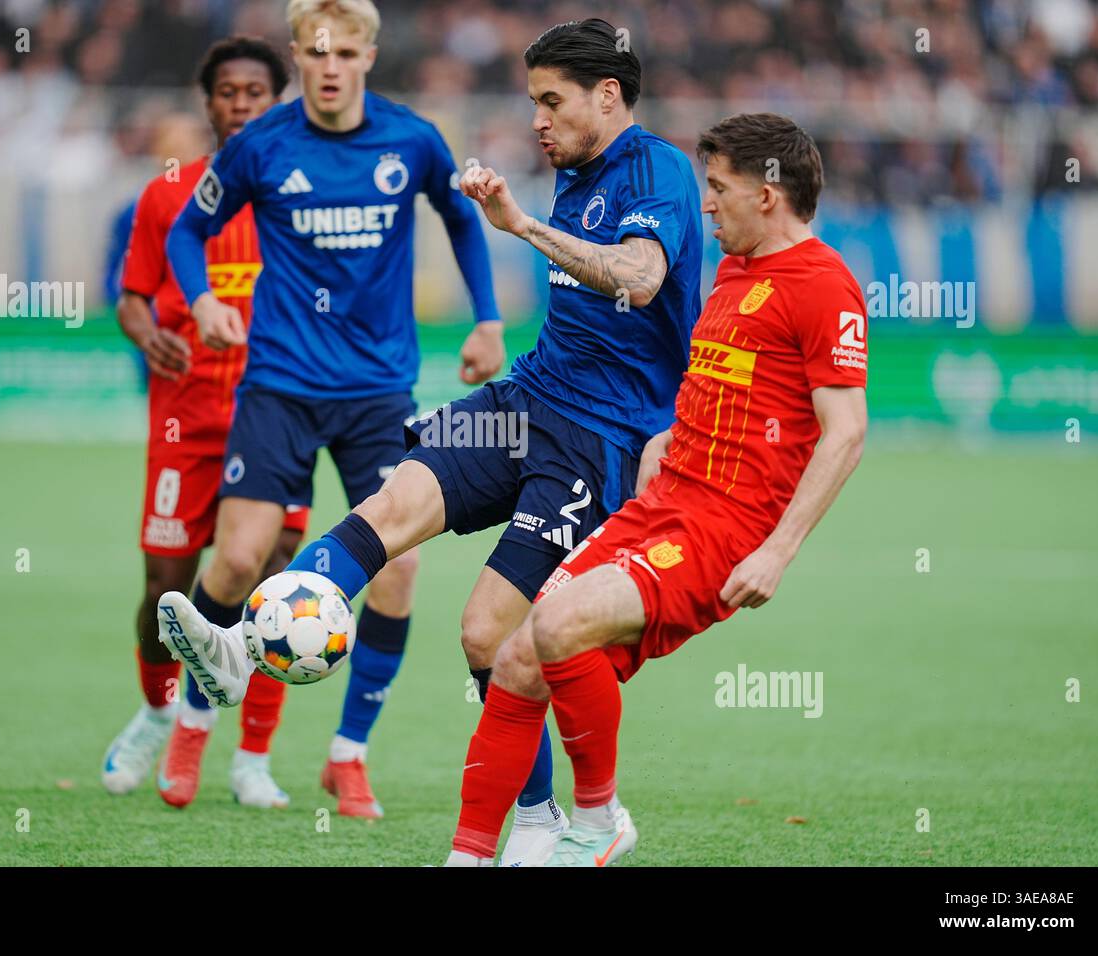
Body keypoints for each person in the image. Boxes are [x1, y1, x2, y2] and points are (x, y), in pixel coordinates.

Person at [157, 18, 703, 866]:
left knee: (488, 634)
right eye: (533, 103)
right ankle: (238, 650)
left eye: (551, 103)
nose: (538, 121)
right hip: (526, 398)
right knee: (391, 503)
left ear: (608, 95)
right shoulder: (576, 168)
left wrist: (517, 225)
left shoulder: (656, 168)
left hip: (601, 438)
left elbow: (639, 277)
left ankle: (550, 815)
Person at [446, 111, 870, 866]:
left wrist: (778, 552)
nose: (705, 204)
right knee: (517, 659)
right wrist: (670, 437)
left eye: (718, 188)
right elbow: (723, 378)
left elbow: (845, 432)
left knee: (557, 626)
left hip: (724, 530)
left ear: (767, 195)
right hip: (662, 502)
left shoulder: (825, 287)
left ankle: (600, 817)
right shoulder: (735, 270)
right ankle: (470, 856)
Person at [161, 0, 505, 820]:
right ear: (297, 54)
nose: (329, 65)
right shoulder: (260, 146)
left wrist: (488, 317)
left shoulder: (411, 139)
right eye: (315, 51)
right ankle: (193, 722)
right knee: (241, 558)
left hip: (378, 390)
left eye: (345, 51)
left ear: (369, 56)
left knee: (401, 565)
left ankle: (347, 755)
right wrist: (203, 299)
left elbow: (461, 216)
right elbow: (186, 231)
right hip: (279, 382)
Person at [101, 37, 308, 810]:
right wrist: (144, 330)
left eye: (257, 91)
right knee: (165, 588)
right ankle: (157, 714)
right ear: (209, 101)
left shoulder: (300, 195)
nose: (242, 103)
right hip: (184, 424)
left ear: (276, 100)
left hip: (274, 416)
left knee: (278, 578)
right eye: (229, 91)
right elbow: (131, 295)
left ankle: (251, 756)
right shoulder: (167, 196)